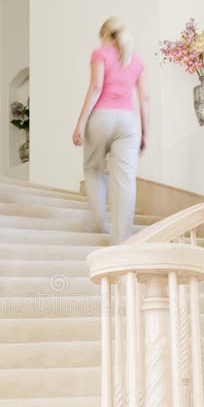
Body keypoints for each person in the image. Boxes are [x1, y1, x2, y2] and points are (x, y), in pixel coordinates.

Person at [73, 17, 149, 244]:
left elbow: (96, 87)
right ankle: (122, 240)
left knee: (93, 168)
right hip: (129, 122)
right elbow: (144, 97)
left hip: (102, 117)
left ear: (105, 35)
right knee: (125, 179)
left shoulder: (100, 54)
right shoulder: (137, 60)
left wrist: (79, 124)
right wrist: (145, 132)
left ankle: (98, 220)